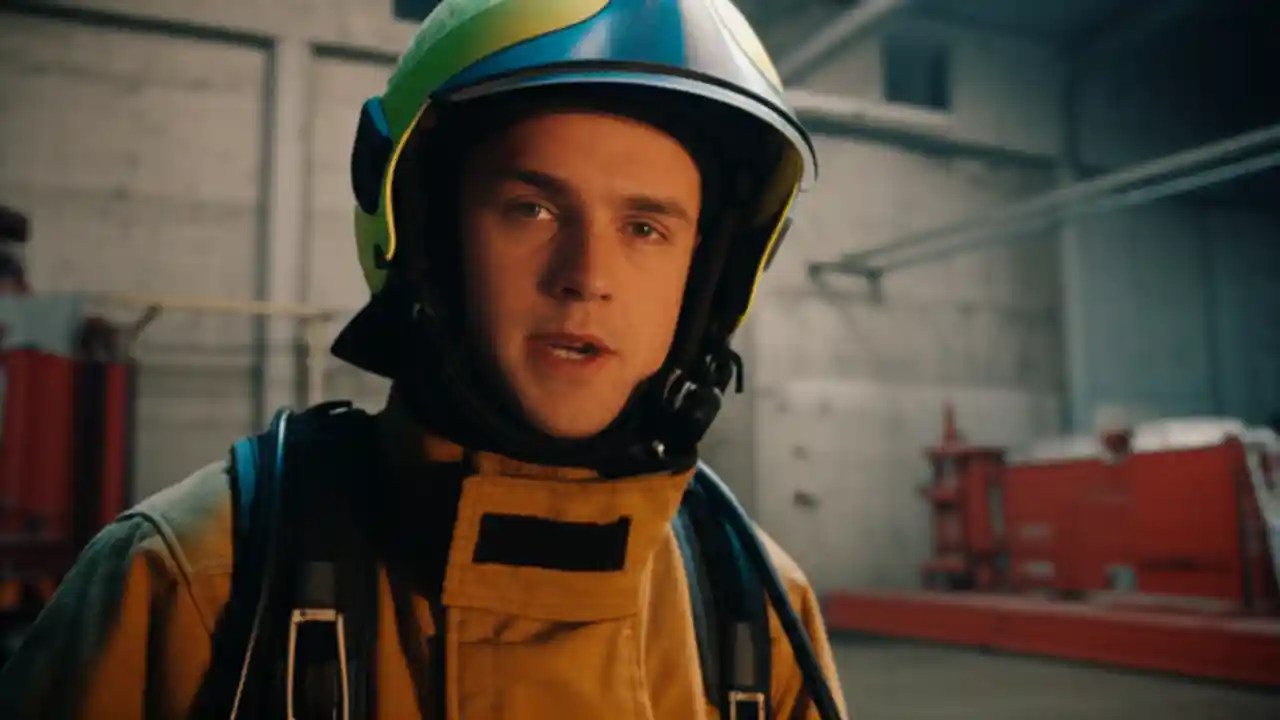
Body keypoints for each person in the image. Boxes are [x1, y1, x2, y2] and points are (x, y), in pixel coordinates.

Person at [0, 1, 847, 718]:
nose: (587, 279)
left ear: (707, 277)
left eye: (645, 228)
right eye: (532, 208)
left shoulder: (758, 614)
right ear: (424, 228)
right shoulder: (192, 586)